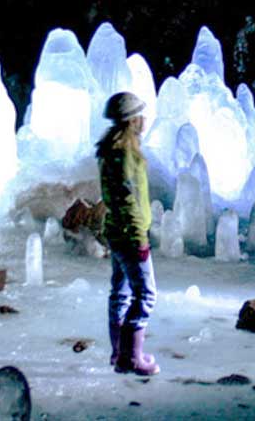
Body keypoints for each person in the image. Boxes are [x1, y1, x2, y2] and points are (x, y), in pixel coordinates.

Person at [98, 92, 160, 376]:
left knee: (121, 293)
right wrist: (139, 239)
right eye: (141, 114)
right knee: (146, 295)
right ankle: (131, 357)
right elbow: (127, 200)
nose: (145, 119)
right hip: (128, 235)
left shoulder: (113, 150)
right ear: (132, 120)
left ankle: (119, 352)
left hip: (117, 232)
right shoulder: (125, 154)